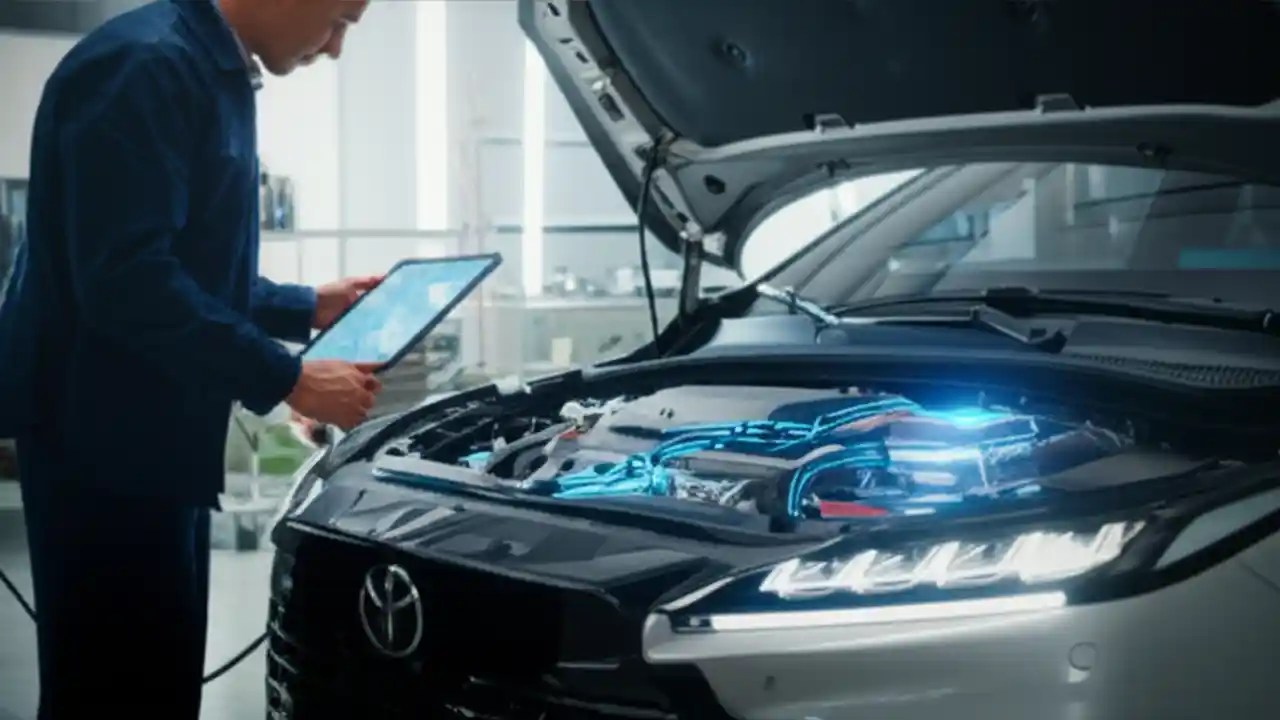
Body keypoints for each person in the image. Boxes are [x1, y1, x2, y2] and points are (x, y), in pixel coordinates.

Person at [0, 0, 378, 716]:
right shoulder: (143, 68)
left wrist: (305, 307)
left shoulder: (208, 68)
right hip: (101, 446)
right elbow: (127, 281)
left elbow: (190, 266)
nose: (334, 48)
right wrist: (286, 377)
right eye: (338, 20)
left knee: (154, 678)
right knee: (114, 689)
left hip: (155, 439)